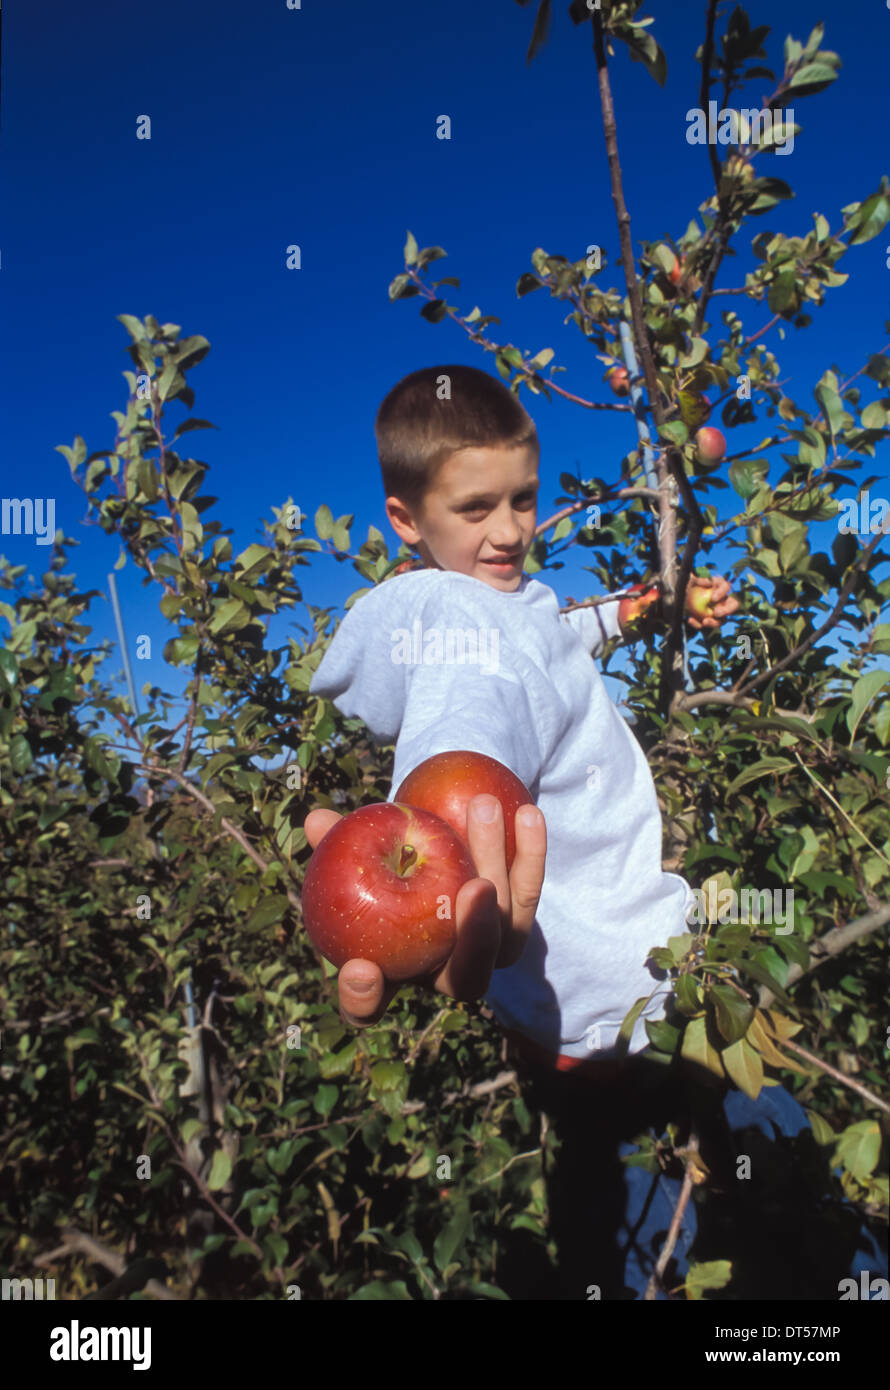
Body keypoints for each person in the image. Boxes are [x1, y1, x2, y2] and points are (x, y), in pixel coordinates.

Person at [301, 363, 883, 1298]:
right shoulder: (457, 625)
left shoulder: (513, 602)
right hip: (619, 1013)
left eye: (525, 499)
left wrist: (651, 607)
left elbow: (557, 633)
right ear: (406, 521)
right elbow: (470, 714)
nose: (510, 530)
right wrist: (447, 838)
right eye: (478, 506)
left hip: (617, 987)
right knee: (734, 1216)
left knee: (717, 1177)